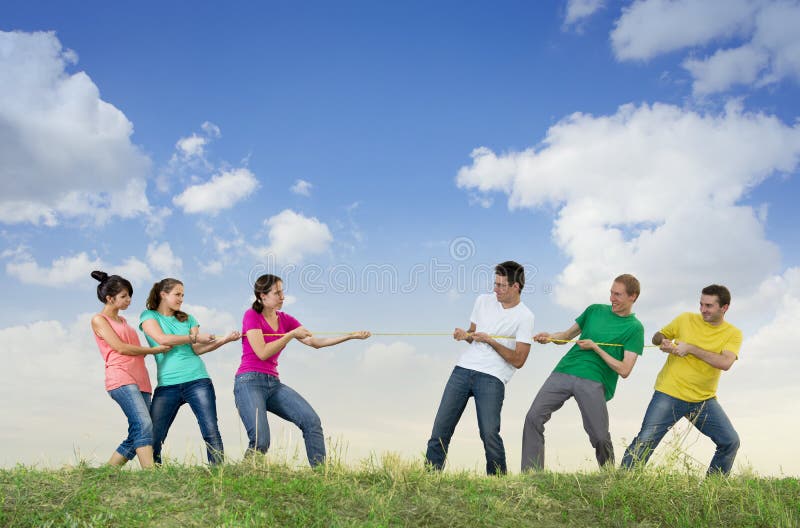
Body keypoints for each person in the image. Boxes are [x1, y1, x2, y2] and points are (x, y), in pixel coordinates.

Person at [235, 273, 370, 467]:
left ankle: (322, 475)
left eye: (283, 292)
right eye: (277, 293)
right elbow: (262, 352)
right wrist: (290, 335)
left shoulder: (286, 319)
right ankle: (241, 475)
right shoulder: (251, 316)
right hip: (248, 382)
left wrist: (350, 336)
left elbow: (315, 342)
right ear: (262, 296)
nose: (282, 297)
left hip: (273, 384)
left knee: (311, 421)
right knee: (261, 441)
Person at [521, 274, 644, 472]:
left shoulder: (635, 328)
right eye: (611, 293)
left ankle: (609, 476)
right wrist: (551, 337)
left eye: (618, 295)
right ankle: (531, 475)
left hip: (594, 379)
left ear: (633, 297)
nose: (612, 298)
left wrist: (596, 348)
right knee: (533, 416)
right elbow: (566, 336)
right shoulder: (594, 310)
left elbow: (625, 369)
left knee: (600, 436)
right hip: (565, 369)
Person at [425, 261, 535, 475]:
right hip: (463, 369)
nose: (496, 290)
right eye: (495, 284)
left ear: (516, 287)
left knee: (489, 434)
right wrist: (465, 336)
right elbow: (472, 334)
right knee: (440, 428)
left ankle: (499, 483)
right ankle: (429, 477)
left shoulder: (525, 316)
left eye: (502, 286)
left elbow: (519, 360)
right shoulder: (483, 301)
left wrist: (491, 341)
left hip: (492, 377)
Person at [621, 284, 742, 476]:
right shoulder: (685, 319)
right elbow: (656, 336)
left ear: (724, 308)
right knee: (645, 441)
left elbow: (725, 362)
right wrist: (664, 342)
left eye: (709, 306)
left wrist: (691, 349)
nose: (703, 310)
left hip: (703, 400)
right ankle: (621, 482)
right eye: (701, 304)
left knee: (730, 441)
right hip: (669, 392)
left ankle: (713, 489)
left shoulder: (733, 334)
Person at [139, 278, 240, 465]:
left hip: (197, 379)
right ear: (163, 294)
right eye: (177, 294)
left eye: (183, 295)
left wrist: (225, 339)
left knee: (210, 430)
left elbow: (198, 349)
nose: (181, 299)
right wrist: (193, 337)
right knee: (154, 435)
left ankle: (218, 474)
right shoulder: (149, 316)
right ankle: (153, 474)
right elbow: (162, 338)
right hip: (167, 384)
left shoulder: (189, 319)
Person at [90, 271, 170, 469]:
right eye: (124, 296)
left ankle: (107, 472)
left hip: (140, 378)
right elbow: (121, 348)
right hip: (121, 377)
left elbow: (134, 350)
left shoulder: (123, 322)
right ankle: (150, 475)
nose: (129, 300)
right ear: (110, 298)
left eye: (129, 296)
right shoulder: (99, 320)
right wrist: (153, 350)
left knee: (141, 430)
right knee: (143, 425)